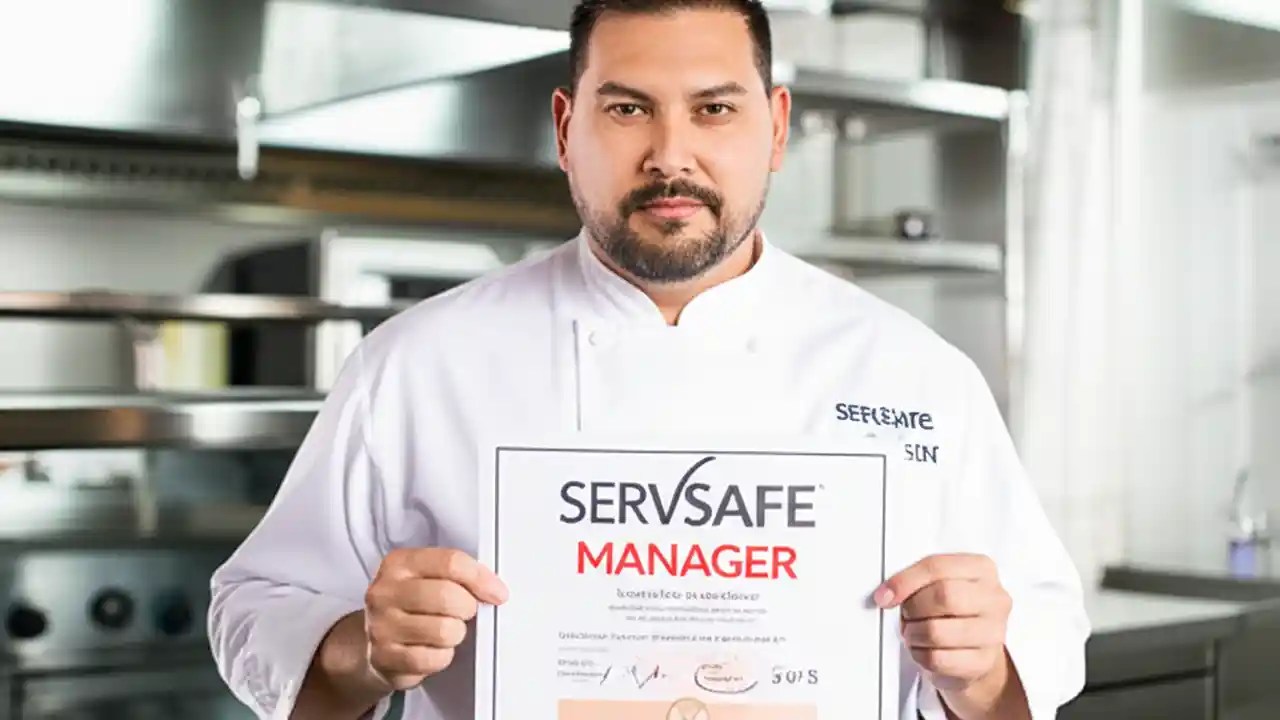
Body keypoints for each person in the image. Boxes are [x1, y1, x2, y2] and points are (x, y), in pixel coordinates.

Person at [207, 1, 1090, 718]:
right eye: (627, 108)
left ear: (776, 130)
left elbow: (1045, 636)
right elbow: (255, 605)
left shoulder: (915, 374)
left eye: (715, 108)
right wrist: (361, 646)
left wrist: (983, 673)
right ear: (565, 129)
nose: (671, 155)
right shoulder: (416, 363)